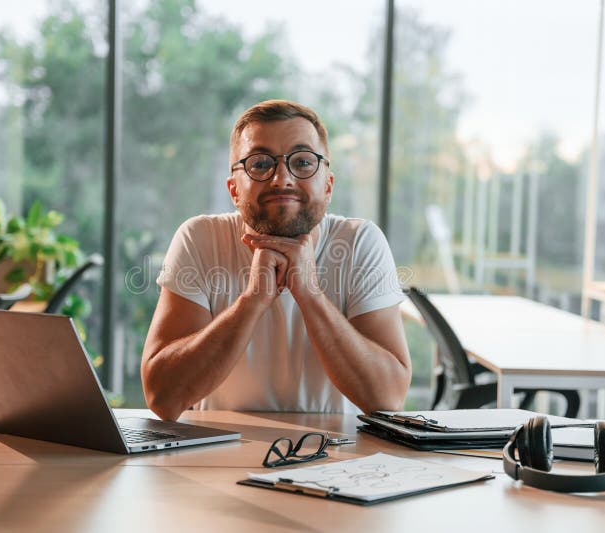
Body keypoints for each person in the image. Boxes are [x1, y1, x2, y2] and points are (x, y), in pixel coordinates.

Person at [142, 100, 411, 421]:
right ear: (233, 189)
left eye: (302, 162)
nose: (281, 178)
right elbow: (162, 397)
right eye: (259, 164)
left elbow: (388, 398)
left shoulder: (360, 242)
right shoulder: (200, 238)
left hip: (341, 461)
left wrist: (309, 293)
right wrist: (252, 301)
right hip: (218, 459)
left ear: (328, 185)